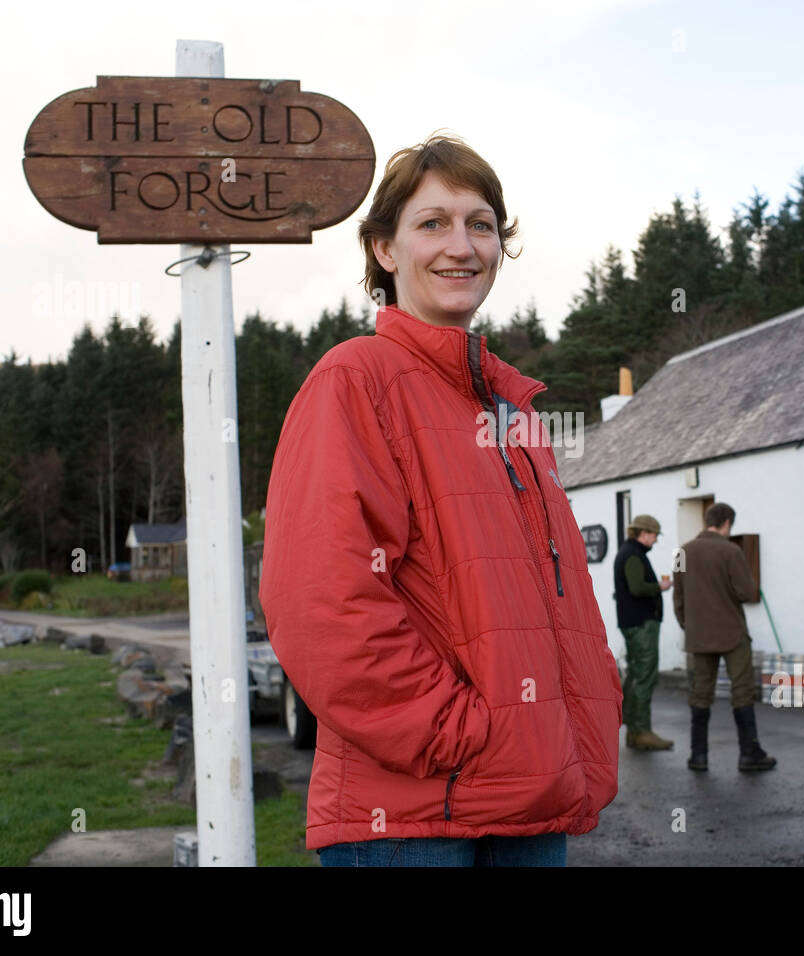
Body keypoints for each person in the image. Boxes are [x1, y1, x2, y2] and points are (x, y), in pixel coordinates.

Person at [260, 134, 624, 867]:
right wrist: (459, 733)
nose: (462, 245)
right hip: (412, 818)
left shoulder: (514, 414)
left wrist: (590, 701)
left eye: (480, 224)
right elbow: (321, 604)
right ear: (384, 251)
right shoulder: (354, 380)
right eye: (432, 224)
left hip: (530, 798)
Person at [673, 502, 776, 772]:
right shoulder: (731, 551)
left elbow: (678, 598)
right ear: (727, 523)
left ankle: (698, 756)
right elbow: (746, 592)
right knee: (741, 689)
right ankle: (749, 753)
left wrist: (690, 625)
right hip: (731, 632)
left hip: (699, 634)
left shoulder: (682, 552)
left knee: (700, 692)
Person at [613, 514, 675, 751]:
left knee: (637, 673)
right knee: (644, 675)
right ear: (644, 533)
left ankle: (634, 729)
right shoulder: (633, 556)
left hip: (634, 623)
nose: (656, 540)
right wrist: (660, 587)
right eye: (655, 535)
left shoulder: (628, 552)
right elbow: (637, 588)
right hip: (641, 625)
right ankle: (641, 731)